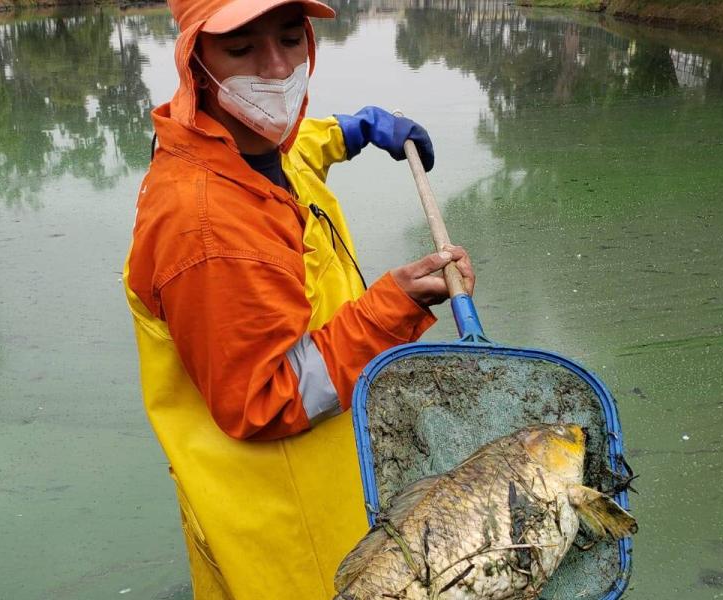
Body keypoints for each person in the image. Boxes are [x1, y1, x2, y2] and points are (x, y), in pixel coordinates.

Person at [123, 0, 475, 597]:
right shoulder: (207, 228)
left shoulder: (246, 142)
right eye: (241, 50)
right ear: (194, 61)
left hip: (332, 479)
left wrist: (355, 129)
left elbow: (298, 148)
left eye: (291, 37)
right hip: (292, 533)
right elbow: (262, 399)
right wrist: (394, 307)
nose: (279, 68)